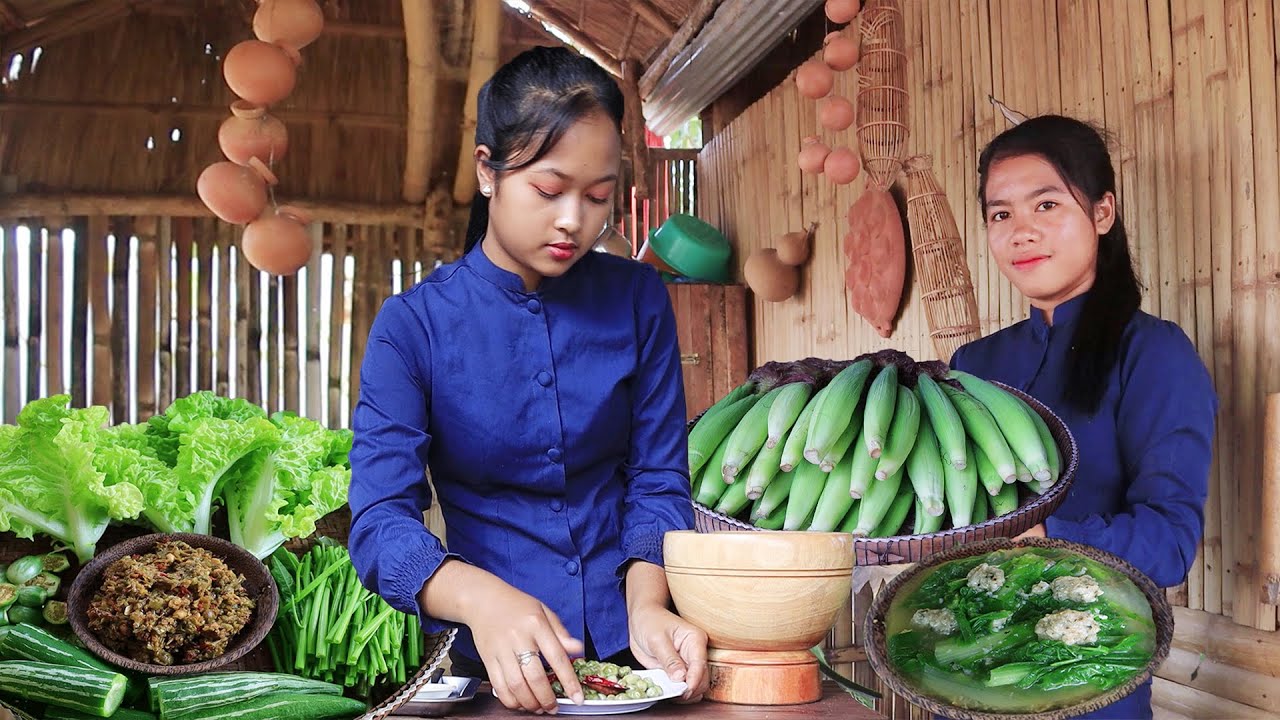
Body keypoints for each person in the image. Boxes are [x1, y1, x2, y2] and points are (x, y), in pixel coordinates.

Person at [346, 46, 709, 714]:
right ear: (488, 171)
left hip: (637, 657)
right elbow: (377, 521)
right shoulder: (412, 327)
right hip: (490, 669)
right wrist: (478, 598)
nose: (575, 220)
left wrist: (650, 606)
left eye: (598, 196)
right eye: (548, 190)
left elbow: (658, 481)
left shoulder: (638, 299)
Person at [949, 115, 1217, 720]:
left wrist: (1051, 536)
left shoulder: (1153, 354)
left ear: (1102, 213)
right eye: (1000, 215)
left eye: (1046, 205)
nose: (1021, 232)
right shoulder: (973, 364)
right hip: (963, 673)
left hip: (1088, 682)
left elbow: (1170, 543)